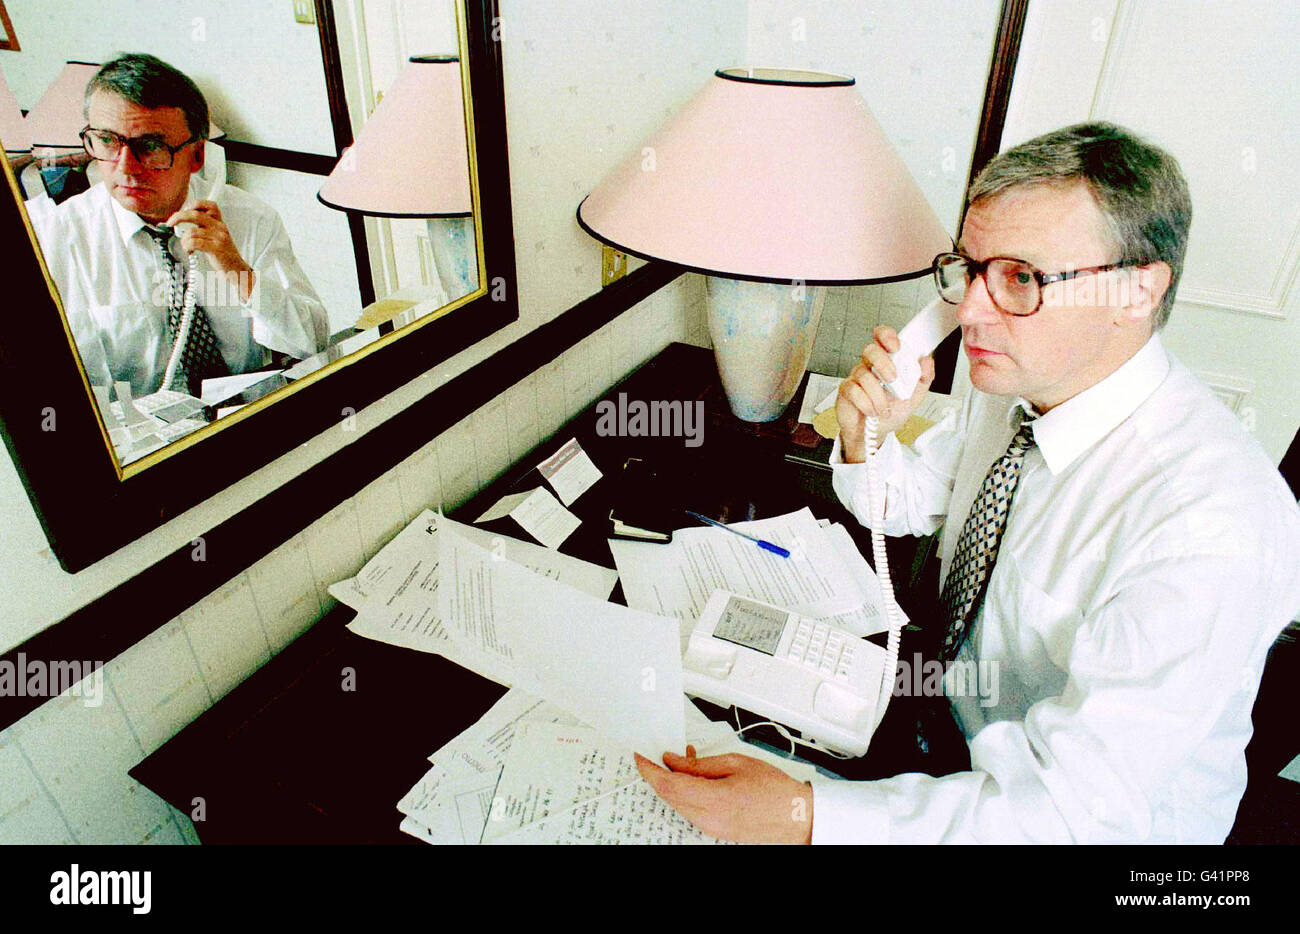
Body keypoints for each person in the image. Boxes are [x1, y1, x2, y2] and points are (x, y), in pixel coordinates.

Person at [636, 122, 1300, 843]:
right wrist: (870, 436)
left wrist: (806, 818)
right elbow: (918, 503)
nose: (972, 312)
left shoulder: (1211, 524)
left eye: (1022, 277)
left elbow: (1070, 816)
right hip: (950, 737)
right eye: (969, 268)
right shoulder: (1017, 384)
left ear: (1136, 290)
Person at [28, 53, 328, 398]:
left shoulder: (251, 218)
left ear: (198, 155)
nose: (127, 168)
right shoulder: (56, 238)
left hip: (248, 418)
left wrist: (237, 271)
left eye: (150, 146)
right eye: (108, 141)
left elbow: (313, 344)